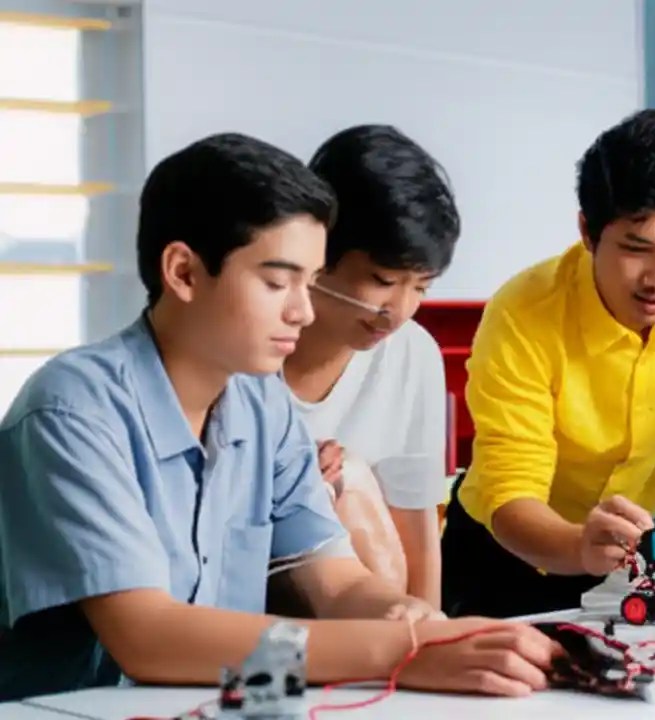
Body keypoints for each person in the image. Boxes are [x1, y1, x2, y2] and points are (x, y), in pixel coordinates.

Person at [0, 133, 555, 701]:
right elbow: (148, 638)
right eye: (276, 282)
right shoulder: (71, 411)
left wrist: (417, 620)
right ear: (184, 272)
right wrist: (401, 651)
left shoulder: (261, 404)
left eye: (308, 282)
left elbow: (334, 584)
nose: (303, 310)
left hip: (223, 702)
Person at [440, 109, 655, 618]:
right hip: (503, 561)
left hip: (623, 567)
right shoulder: (522, 312)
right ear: (588, 231)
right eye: (635, 249)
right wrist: (578, 546)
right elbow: (510, 493)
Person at [282, 125, 456, 609]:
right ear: (319, 251)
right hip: (257, 612)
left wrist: (432, 640)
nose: (398, 311)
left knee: (352, 480)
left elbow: (417, 526)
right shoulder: (249, 349)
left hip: (371, 605)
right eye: (382, 280)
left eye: (421, 286)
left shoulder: (412, 353)